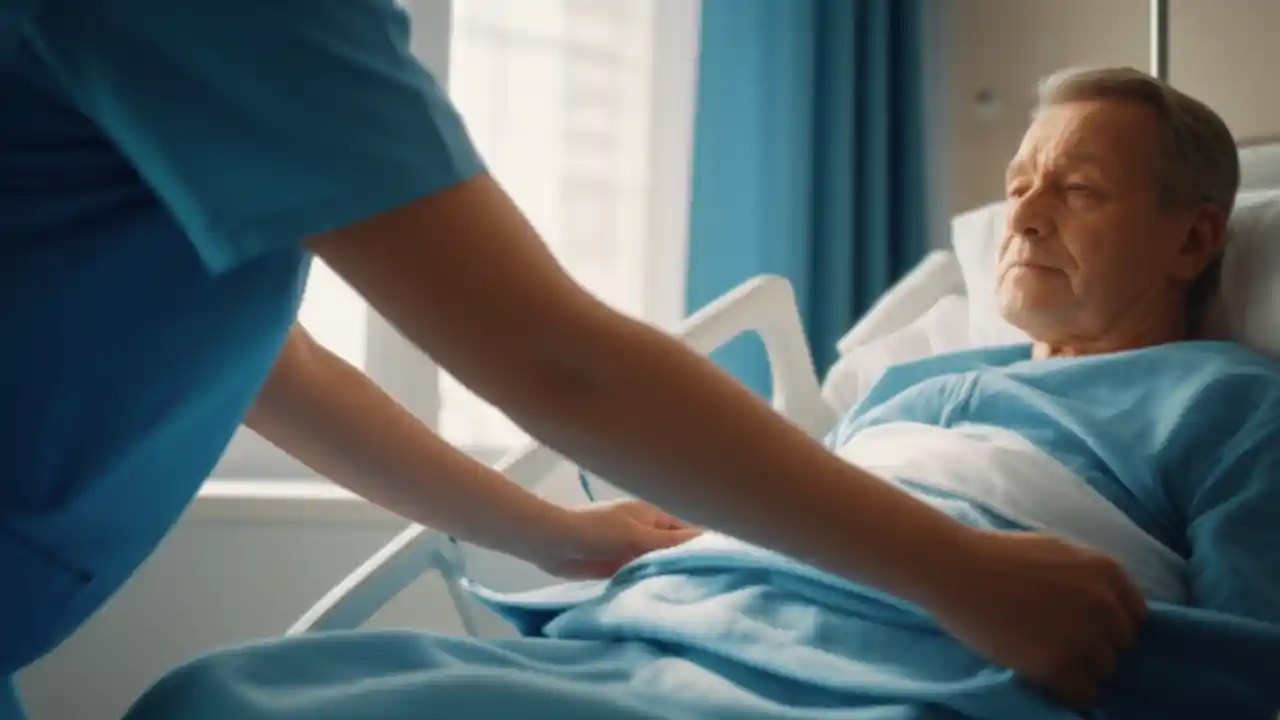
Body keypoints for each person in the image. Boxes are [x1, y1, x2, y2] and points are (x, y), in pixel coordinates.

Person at [0, 3, 1143, 715]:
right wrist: (957, 571)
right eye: (1014, 186)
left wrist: (550, 531)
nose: (1026, 216)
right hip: (700, 628)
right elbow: (561, 363)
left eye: (1082, 188)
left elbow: (264, 360)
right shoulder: (899, 379)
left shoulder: (1209, 401)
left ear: (1194, 239)